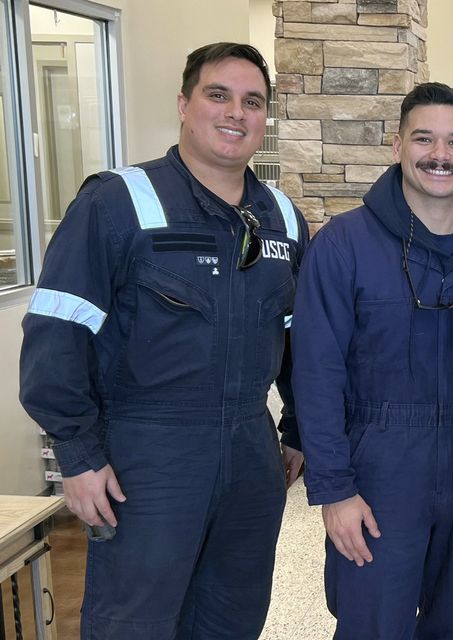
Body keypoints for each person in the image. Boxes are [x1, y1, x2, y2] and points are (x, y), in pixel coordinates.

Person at [19, 43, 307, 639]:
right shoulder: (116, 202)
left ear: (265, 119)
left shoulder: (281, 216)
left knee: (233, 613)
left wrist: (298, 429)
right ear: (184, 103)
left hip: (250, 449)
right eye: (217, 94)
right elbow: (56, 332)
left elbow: (300, 339)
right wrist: (77, 454)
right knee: (136, 619)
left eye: (252, 102)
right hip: (148, 453)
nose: (235, 113)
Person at [291, 82, 453, 640]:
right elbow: (315, 373)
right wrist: (334, 488)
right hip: (378, 466)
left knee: (450, 622)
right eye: (423, 138)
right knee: (372, 623)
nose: (439, 155)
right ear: (397, 145)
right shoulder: (344, 245)